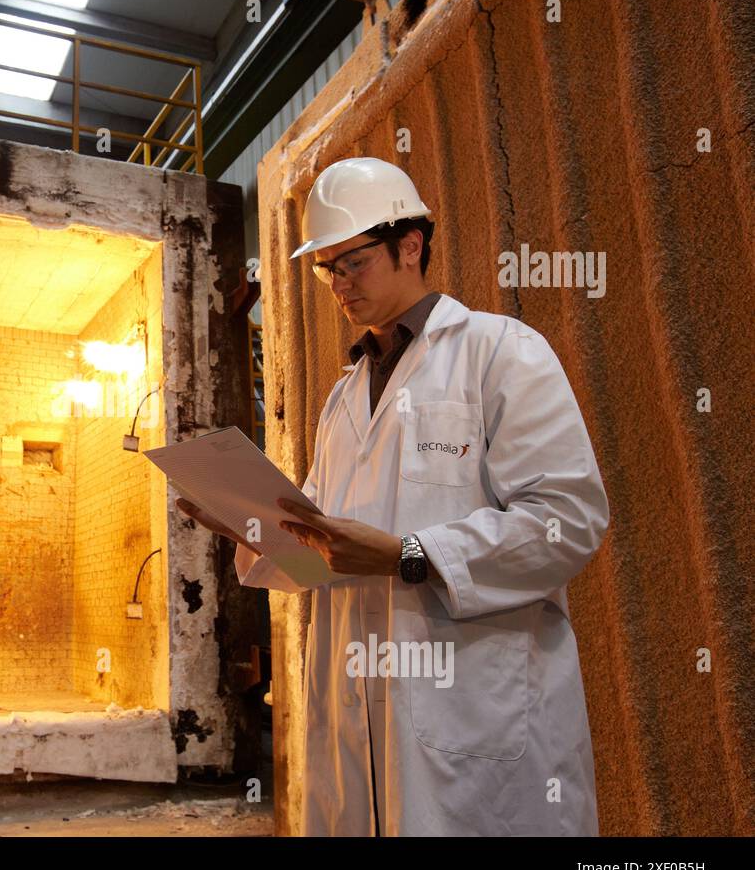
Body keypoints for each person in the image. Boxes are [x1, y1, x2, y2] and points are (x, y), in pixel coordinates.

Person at [177, 156, 609, 835]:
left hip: (470, 707)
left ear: (410, 244)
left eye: (354, 261)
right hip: (359, 710)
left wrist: (411, 555)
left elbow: (568, 522)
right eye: (326, 268)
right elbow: (323, 548)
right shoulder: (344, 397)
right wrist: (249, 525)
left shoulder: (501, 352)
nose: (338, 284)